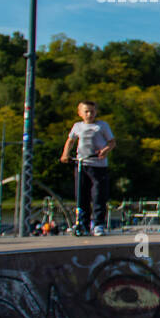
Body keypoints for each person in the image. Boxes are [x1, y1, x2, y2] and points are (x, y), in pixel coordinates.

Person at [60, 99, 116, 237]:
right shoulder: (77, 126)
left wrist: (105, 151)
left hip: (98, 165)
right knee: (81, 195)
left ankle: (98, 224)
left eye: (92, 111)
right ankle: (83, 223)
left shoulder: (102, 126)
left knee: (98, 195)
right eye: (86, 111)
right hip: (82, 164)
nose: (89, 114)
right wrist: (65, 154)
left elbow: (112, 142)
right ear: (80, 113)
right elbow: (70, 141)